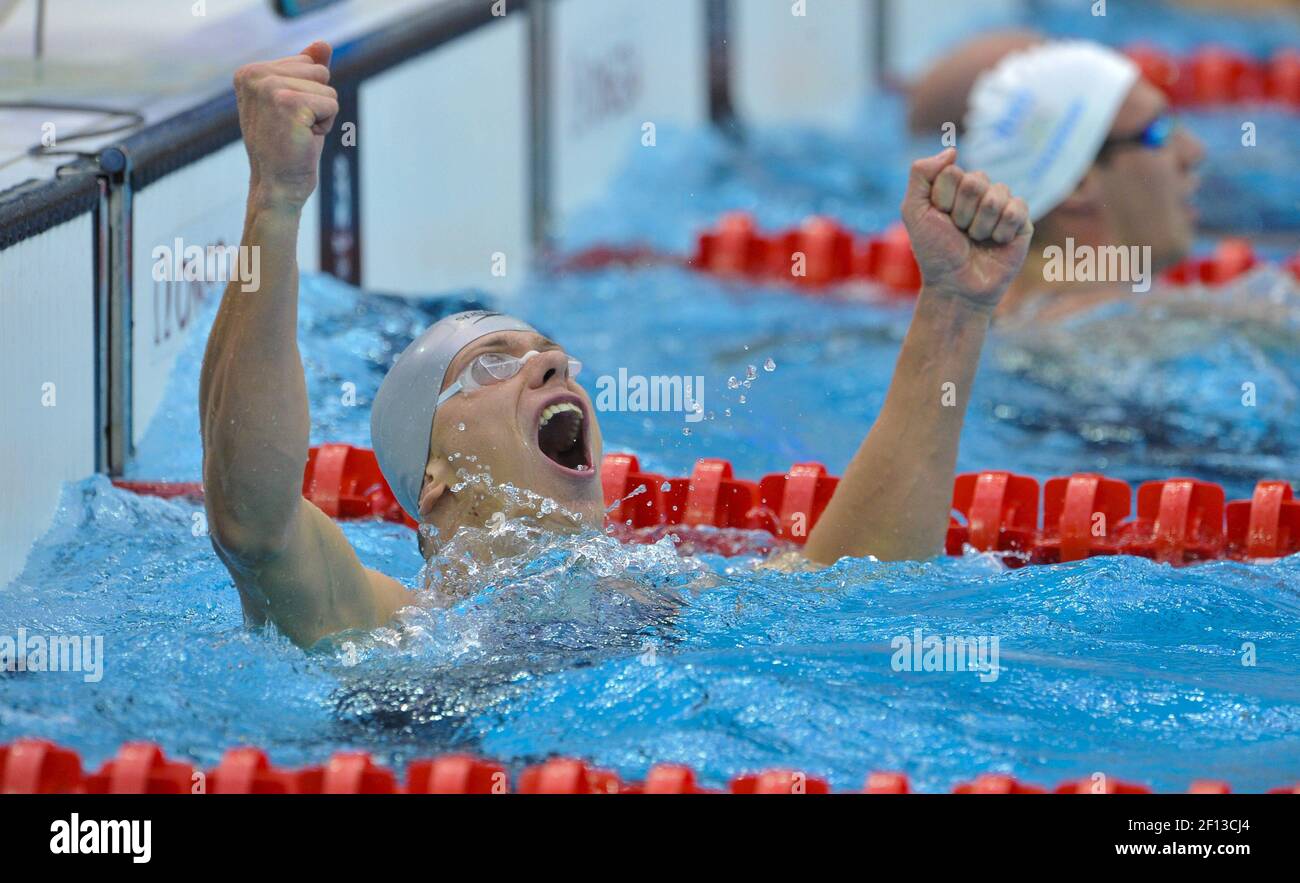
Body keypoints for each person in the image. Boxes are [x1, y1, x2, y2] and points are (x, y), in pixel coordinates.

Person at [200, 41, 1033, 648]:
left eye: (549, 352)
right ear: (433, 474)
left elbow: (867, 587)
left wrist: (954, 309)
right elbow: (253, 524)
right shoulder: (386, 624)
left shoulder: (664, 598)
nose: (552, 364)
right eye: (492, 365)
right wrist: (274, 201)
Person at [960, 40, 1205, 321]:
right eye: (1157, 131)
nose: (1194, 151)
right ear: (1078, 185)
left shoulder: (989, 321)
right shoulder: (1127, 329)